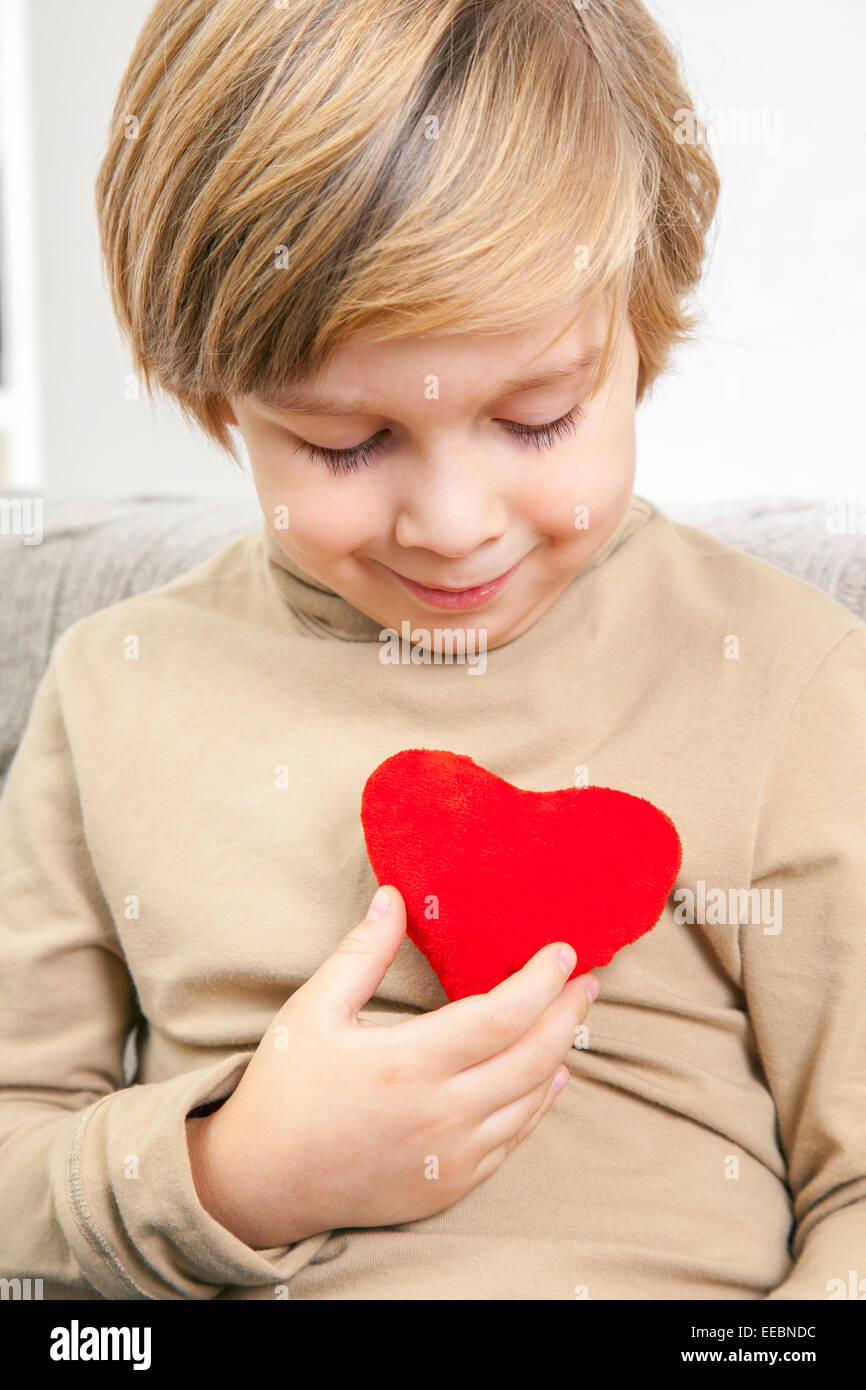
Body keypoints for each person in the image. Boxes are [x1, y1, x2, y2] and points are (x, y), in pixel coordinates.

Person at [0, 0, 863, 1300]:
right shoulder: (114, 687)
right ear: (212, 391)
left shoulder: (786, 675)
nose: (454, 527)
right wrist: (234, 1172)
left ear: (639, 328)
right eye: (344, 444)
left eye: (537, 416)